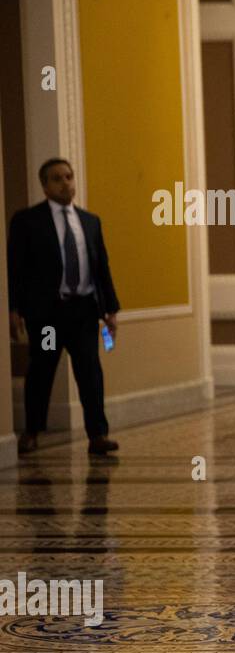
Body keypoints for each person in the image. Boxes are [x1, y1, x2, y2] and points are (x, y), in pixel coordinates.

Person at [8, 158, 121, 456]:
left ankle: (98, 435)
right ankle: (32, 432)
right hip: (48, 316)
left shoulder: (89, 222)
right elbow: (16, 269)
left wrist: (111, 309)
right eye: (57, 178)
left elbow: (102, 268)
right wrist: (14, 307)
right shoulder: (27, 221)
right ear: (45, 186)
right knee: (43, 368)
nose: (65, 183)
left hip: (83, 313)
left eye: (69, 177)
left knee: (90, 373)